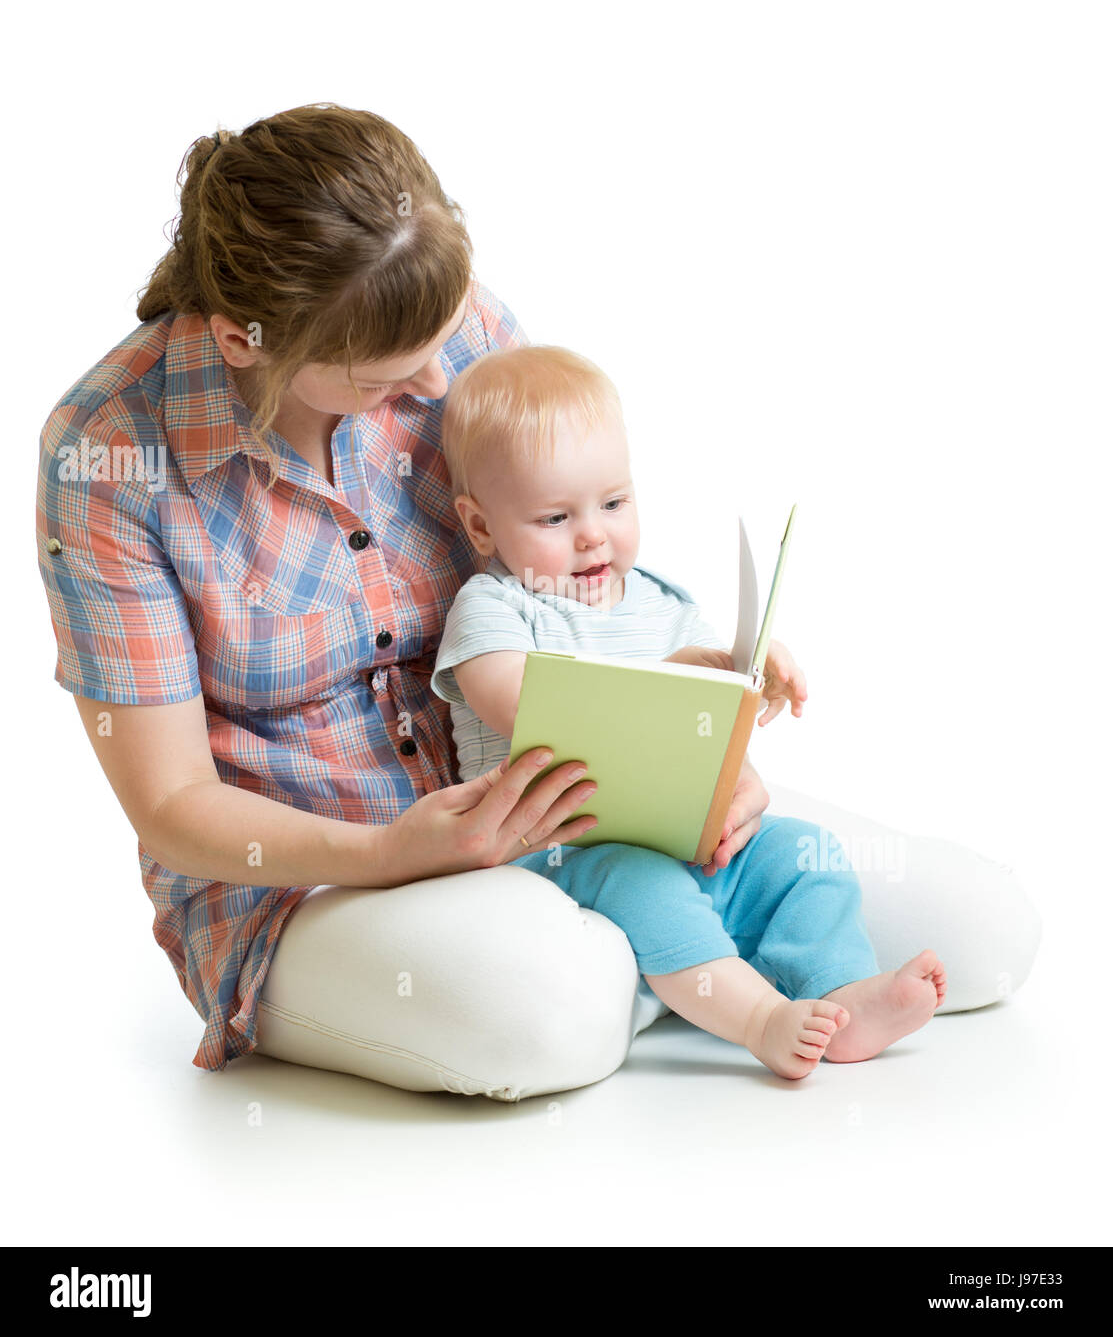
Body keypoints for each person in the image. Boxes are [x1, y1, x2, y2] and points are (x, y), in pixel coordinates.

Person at [35, 102, 957, 1102]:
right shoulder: (111, 456)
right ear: (242, 340)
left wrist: (701, 761)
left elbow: (572, 564)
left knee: (981, 933)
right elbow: (172, 808)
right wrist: (396, 849)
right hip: (317, 882)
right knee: (552, 1013)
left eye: (445, 334)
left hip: (569, 812)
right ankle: (696, 969)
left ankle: (712, 956)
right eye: (390, 378)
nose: (441, 377)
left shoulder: (435, 310)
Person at [430, 345, 947, 1079]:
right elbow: (526, 704)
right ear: (481, 528)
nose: (591, 534)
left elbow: (716, 702)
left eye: (613, 502)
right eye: (554, 516)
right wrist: (672, 676)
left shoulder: (661, 602)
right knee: (644, 883)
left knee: (806, 852)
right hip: (564, 854)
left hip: (689, 838)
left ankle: (838, 992)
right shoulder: (495, 610)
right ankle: (761, 1019)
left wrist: (754, 669)